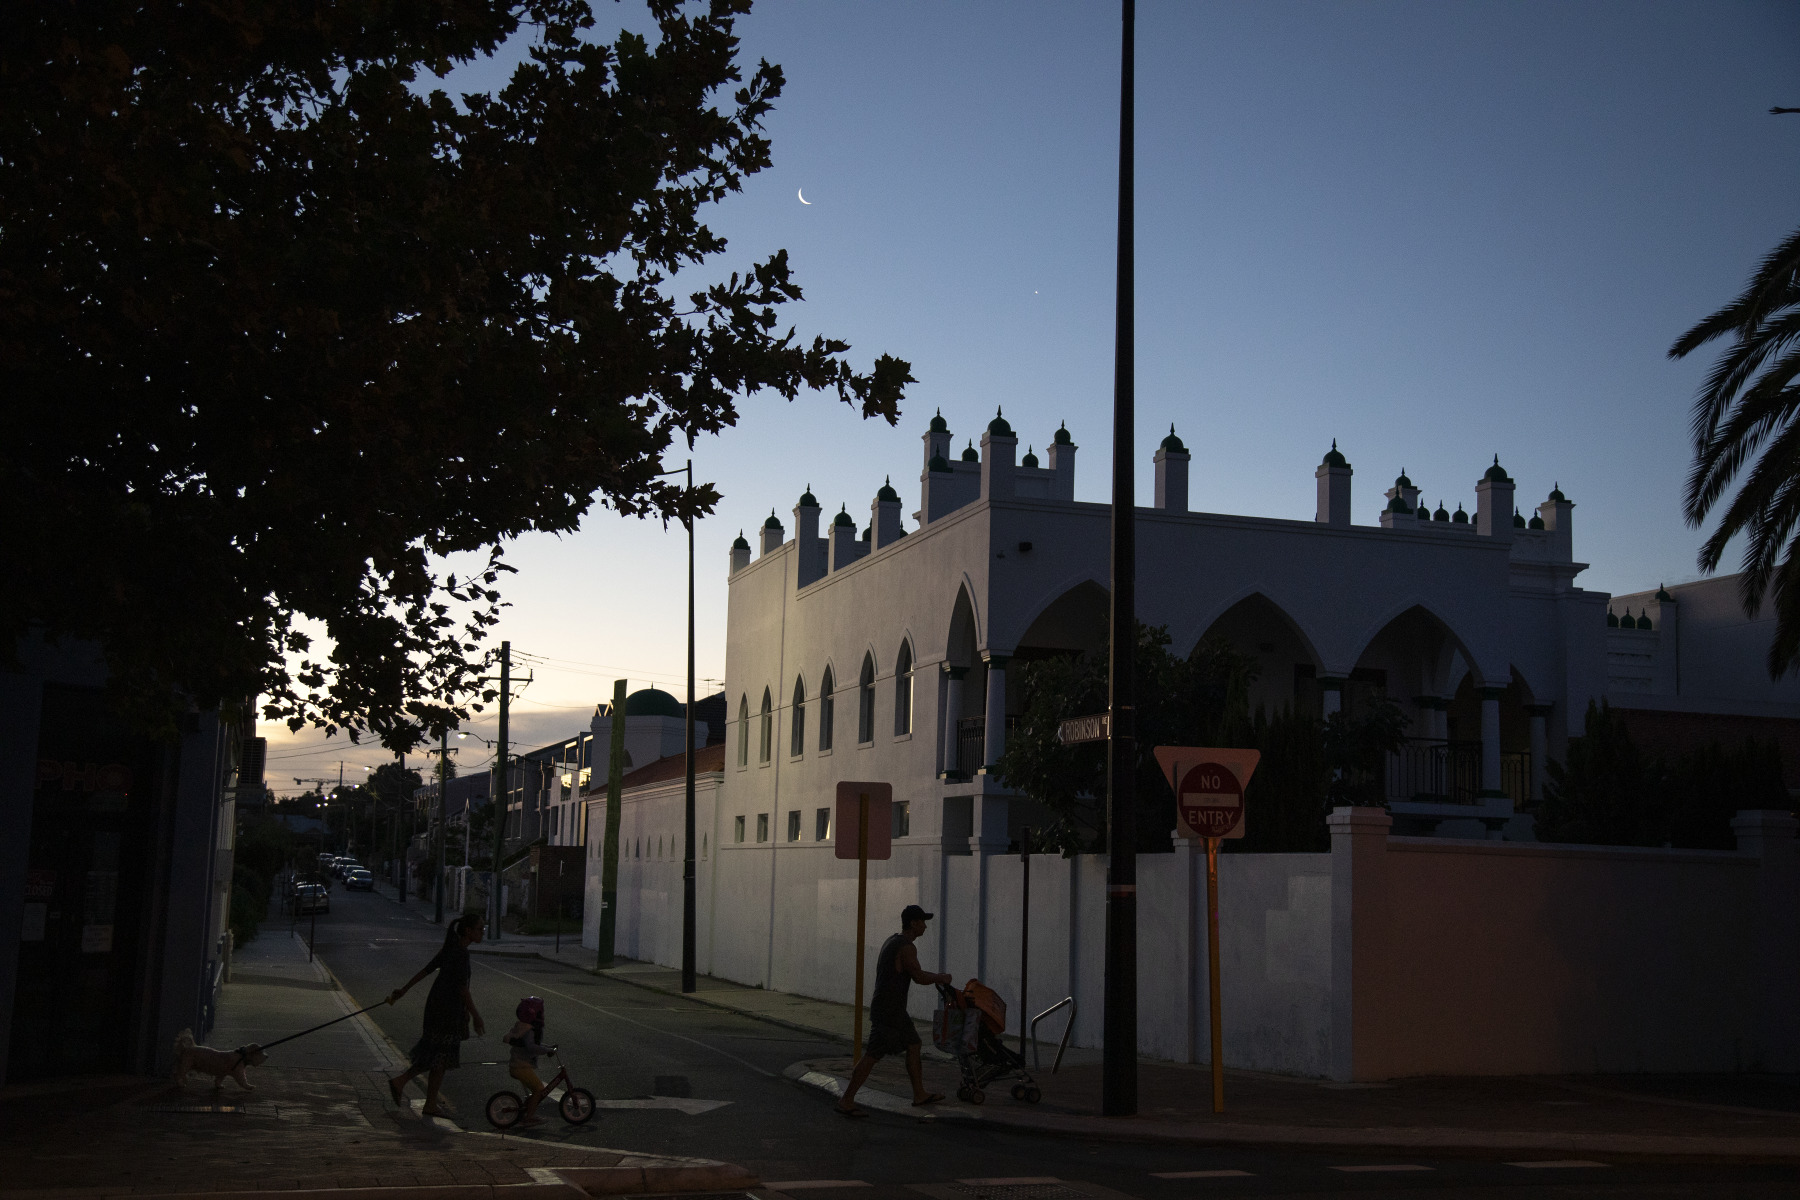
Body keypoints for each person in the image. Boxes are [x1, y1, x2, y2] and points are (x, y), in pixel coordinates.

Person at [836, 904, 952, 1118]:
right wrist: (940, 977)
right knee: (872, 1055)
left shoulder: (892, 940)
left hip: (891, 1009)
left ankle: (919, 1094)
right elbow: (918, 976)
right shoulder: (907, 946)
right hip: (889, 1011)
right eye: (922, 922)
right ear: (913, 923)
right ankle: (847, 1099)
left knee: (914, 1044)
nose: (925, 927)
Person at [386, 913, 487, 1116]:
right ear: (468, 931)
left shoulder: (451, 949)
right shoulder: (459, 954)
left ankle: (427, 1101)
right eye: (479, 929)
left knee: (436, 1055)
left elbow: (427, 970)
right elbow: (462, 989)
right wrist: (476, 1015)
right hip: (446, 1011)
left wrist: (404, 990)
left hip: (437, 1007)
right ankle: (404, 1084)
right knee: (439, 1056)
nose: (482, 932)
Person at [504, 995, 556, 1127]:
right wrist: (546, 1051)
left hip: (518, 1065)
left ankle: (527, 1111)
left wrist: (547, 1048)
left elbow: (532, 1044)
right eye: (540, 1012)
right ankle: (529, 1118)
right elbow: (531, 1047)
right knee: (539, 1089)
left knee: (534, 1089)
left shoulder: (522, 1026)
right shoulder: (529, 1030)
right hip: (521, 1066)